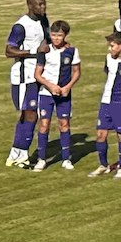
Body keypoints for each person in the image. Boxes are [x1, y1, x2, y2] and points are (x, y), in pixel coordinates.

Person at [6, 0, 50, 169]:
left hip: (38, 74)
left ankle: (16, 154)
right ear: (30, 5)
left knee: (30, 114)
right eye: (39, 4)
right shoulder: (20, 26)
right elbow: (9, 51)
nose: (43, 7)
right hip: (24, 78)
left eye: (44, 4)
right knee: (29, 114)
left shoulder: (43, 21)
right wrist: (34, 52)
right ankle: (21, 154)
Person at [90, 30, 121, 177]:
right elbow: (107, 73)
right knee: (101, 133)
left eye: (112, 45)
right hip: (106, 101)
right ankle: (103, 165)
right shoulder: (108, 59)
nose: (110, 48)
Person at [31, 19, 79, 170]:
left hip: (64, 94)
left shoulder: (72, 51)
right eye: (54, 35)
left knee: (64, 123)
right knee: (44, 125)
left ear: (65, 35)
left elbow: (76, 72)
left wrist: (68, 87)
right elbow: (37, 75)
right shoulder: (45, 51)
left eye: (59, 35)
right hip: (46, 93)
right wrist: (50, 86)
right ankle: (42, 159)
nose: (56, 38)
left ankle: (66, 159)